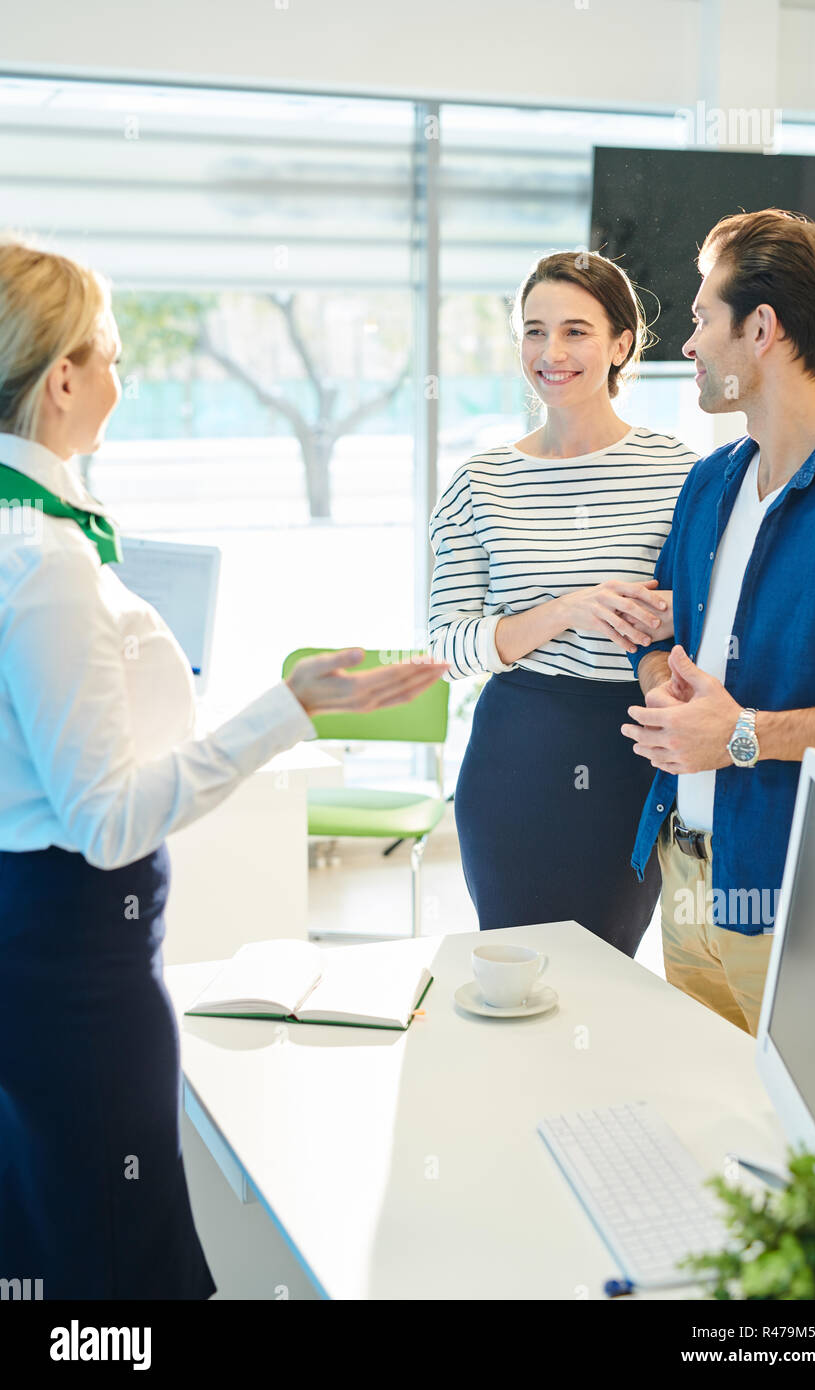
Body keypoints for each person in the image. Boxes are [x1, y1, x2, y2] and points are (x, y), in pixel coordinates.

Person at [0, 237, 447, 1299]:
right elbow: (107, 820)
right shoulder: (45, 560)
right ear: (62, 377)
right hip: (75, 960)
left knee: (52, 1238)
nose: (122, 376)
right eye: (110, 354)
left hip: (35, 938)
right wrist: (290, 710)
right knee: (123, 1253)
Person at [622, 209, 815, 1036]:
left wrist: (741, 735)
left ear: (761, 329)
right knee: (707, 1140)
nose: (687, 345)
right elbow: (660, 636)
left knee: (806, 1152)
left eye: (699, 319)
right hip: (684, 879)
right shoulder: (711, 482)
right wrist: (663, 686)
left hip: (804, 901)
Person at [428, 251, 698, 952]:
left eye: (576, 331)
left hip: (633, 750)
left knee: (603, 968)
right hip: (516, 748)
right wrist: (566, 610)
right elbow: (448, 644)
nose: (551, 352)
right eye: (534, 330)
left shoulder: (682, 472)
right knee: (513, 967)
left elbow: (709, 614)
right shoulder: (479, 483)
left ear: (620, 345)